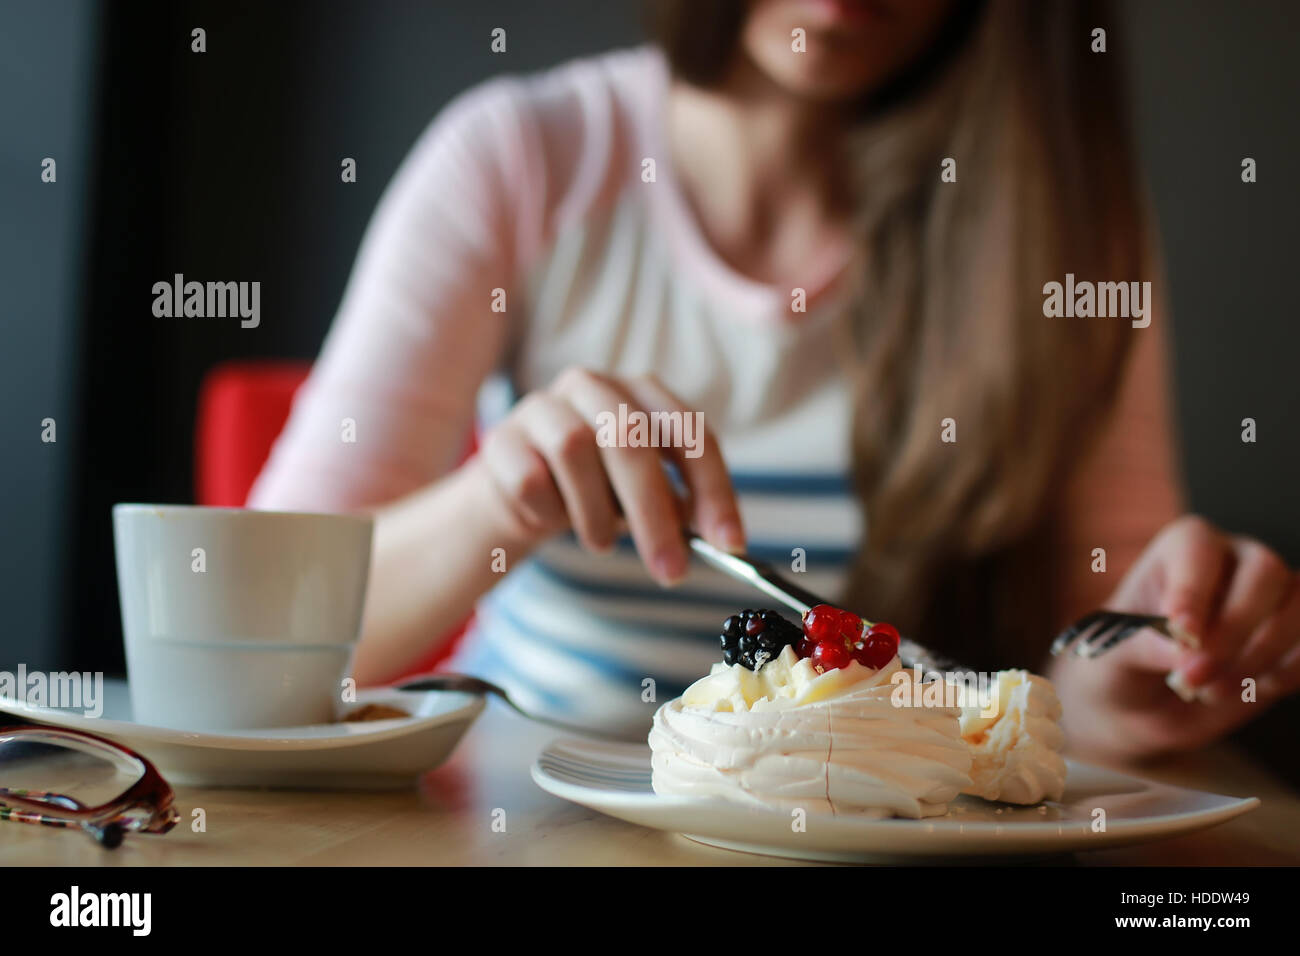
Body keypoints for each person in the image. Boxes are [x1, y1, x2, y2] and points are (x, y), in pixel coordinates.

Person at [250, 0, 1299, 756]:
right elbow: (254, 632)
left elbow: (1088, 652)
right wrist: (499, 495)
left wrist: (1143, 673)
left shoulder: (1064, 222)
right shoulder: (522, 158)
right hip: (524, 813)